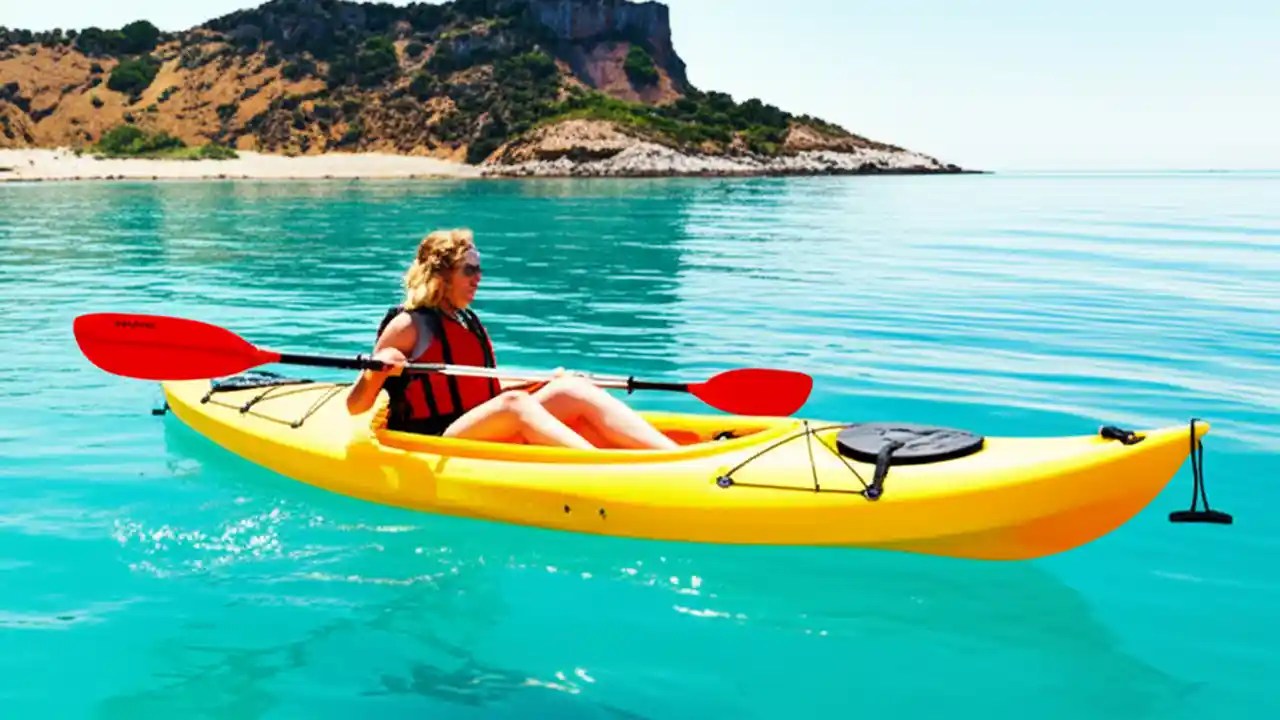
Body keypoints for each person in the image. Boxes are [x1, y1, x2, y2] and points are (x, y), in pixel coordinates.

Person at [345, 228, 677, 450]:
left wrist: (547, 380)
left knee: (570, 387)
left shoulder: (463, 320)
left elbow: (483, 390)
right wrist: (377, 372)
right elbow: (356, 405)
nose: (479, 278)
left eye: (480, 269)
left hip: (481, 423)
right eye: (469, 270)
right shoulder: (407, 325)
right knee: (514, 405)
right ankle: (608, 470)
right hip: (435, 438)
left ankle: (672, 458)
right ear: (442, 276)